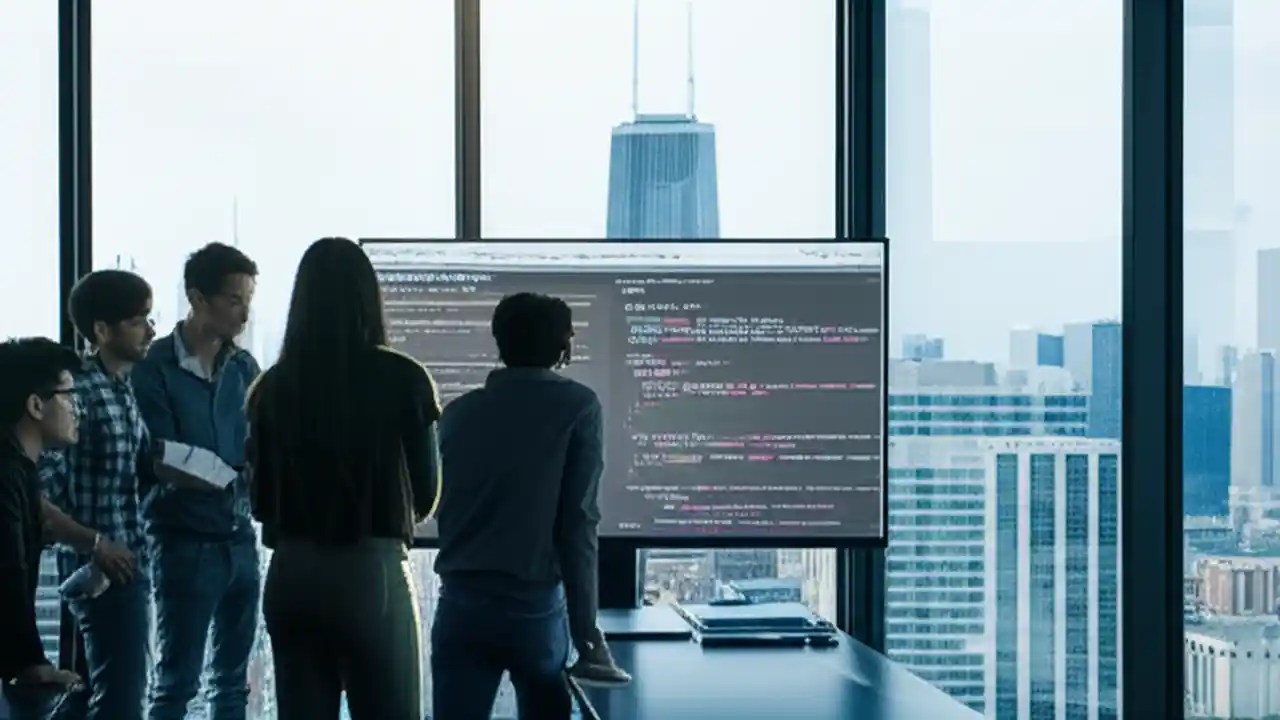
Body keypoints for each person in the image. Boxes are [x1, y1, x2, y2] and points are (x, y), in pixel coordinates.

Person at [246, 237, 440, 720]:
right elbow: (428, 494)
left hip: (290, 574)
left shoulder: (271, 387)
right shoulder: (404, 378)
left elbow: (260, 505)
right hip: (371, 572)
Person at [431, 292, 630, 720]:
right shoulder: (577, 407)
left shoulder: (458, 413)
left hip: (460, 605)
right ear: (563, 347)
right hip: (532, 609)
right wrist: (587, 635)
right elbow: (578, 522)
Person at [131, 242, 261, 720]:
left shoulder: (244, 368)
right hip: (183, 542)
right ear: (197, 298)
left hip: (239, 538)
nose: (244, 312)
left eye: (248, 300)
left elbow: (260, 444)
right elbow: (161, 454)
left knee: (231, 684)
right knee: (176, 683)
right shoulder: (154, 368)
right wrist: (231, 471)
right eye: (233, 300)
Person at [40, 270, 157, 720]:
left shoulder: (122, 389)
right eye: (137, 320)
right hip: (103, 570)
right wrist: (94, 544)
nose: (150, 330)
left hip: (125, 562)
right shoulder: (80, 393)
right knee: (121, 700)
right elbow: (38, 491)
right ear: (102, 331)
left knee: (90, 694)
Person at [0, 338, 86, 720]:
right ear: (36, 405)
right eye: (68, 396)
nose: (76, 409)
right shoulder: (6, 473)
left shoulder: (20, 470)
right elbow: (8, 571)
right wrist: (30, 662)